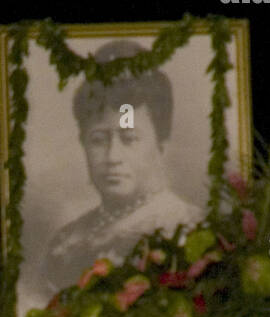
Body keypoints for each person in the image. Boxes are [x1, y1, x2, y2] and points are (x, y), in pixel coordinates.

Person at [40, 40, 200, 297]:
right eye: (99, 139)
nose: (112, 156)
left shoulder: (190, 230)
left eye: (130, 139)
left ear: (161, 146)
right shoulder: (65, 243)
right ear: (83, 144)